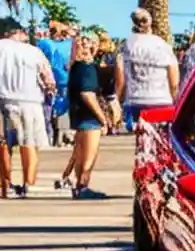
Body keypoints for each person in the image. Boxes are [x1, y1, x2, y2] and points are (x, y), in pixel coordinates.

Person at [0, 25, 55, 197]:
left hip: (4, 100)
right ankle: (28, 185)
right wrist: (49, 92)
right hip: (30, 102)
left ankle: (6, 185)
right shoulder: (34, 51)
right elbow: (49, 80)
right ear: (18, 33)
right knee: (29, 143)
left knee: (4, 145)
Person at [56, 35, 111, 198]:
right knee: (89, 154)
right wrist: (103, 118)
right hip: (89, 117)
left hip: (78, 115)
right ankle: (83, 185)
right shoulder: (87, 68)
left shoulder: (75, 67)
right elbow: (88, 94)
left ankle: (79, 186)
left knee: (80, 152)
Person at [115, 8, 179, 131]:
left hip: (134, 100)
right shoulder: (163, 46)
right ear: (150, 24)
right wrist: (176, 99)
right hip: (161, 101)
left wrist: (117, 98)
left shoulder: (126, 45)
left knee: (139, 138)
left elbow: (120, 77)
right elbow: (174, 80)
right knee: (160, 141)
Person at [36, 20, 73, 144]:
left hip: (49, 79)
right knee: (62, 107)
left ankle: (53, 135)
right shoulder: (69, 44)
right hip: (65, 79)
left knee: (49, 108)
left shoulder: (44, 43)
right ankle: (62, 135)